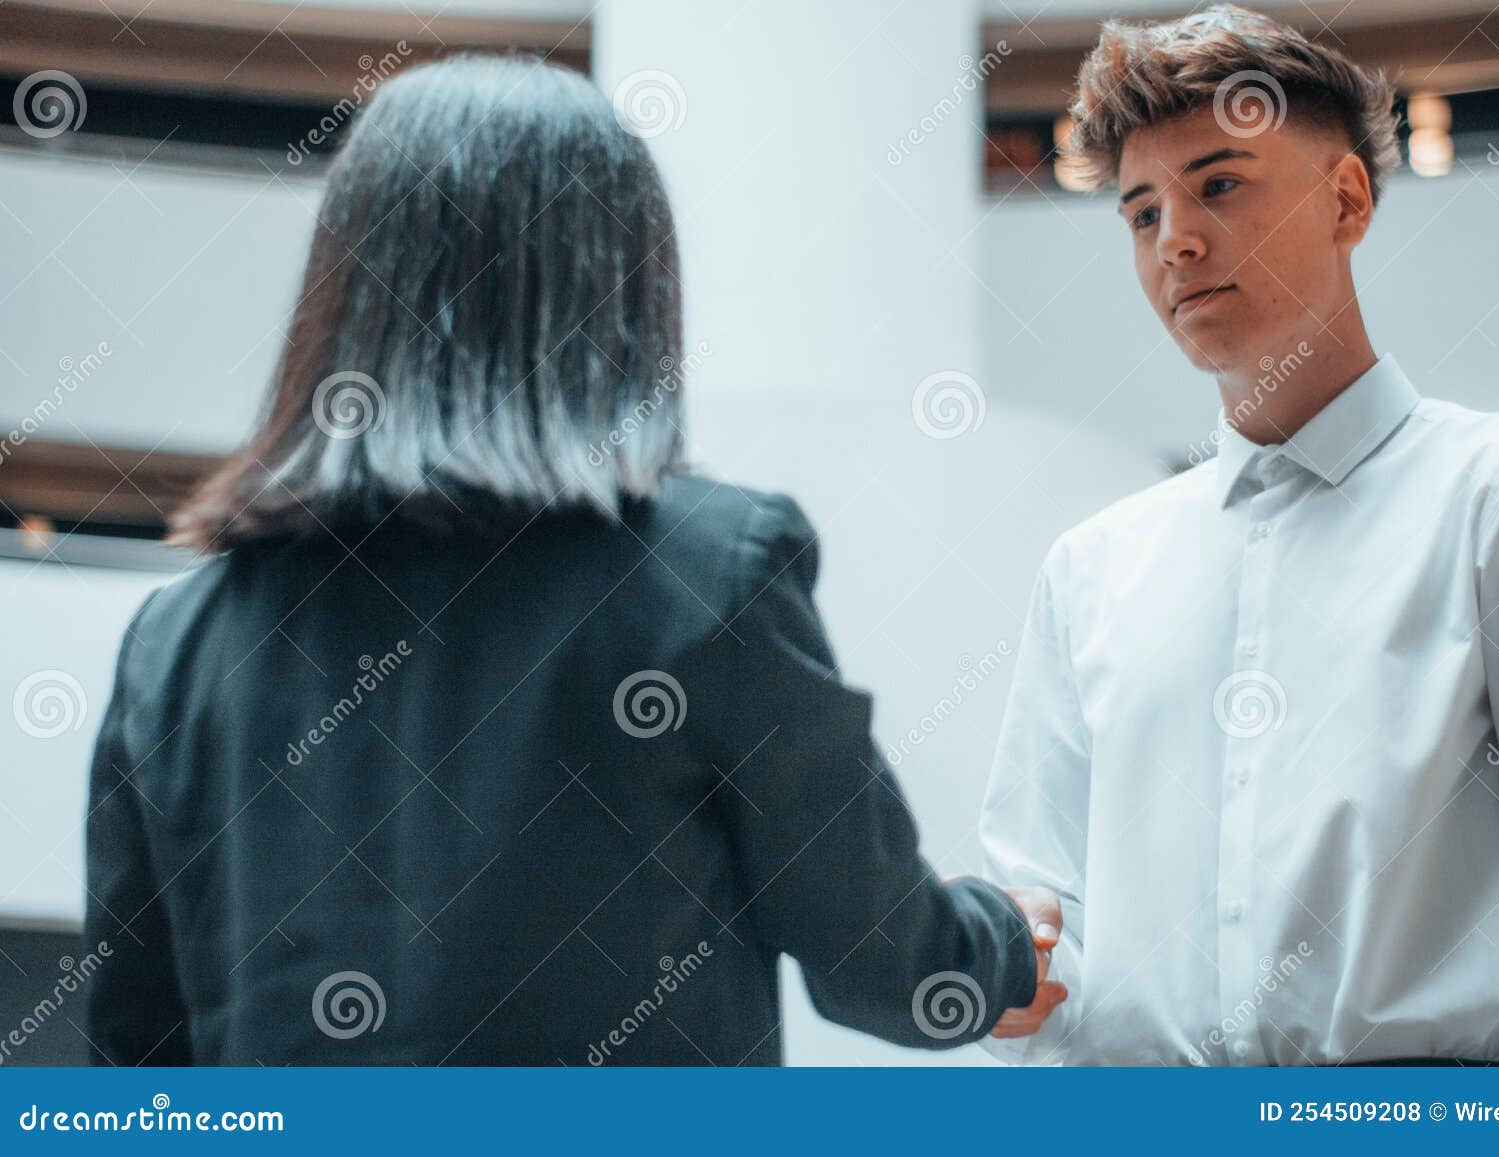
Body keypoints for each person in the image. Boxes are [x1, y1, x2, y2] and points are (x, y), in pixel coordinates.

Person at [81, 55, 1062, 1066]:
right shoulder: (711, 573)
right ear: (622, 289)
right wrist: (1003, 945)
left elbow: (132, 1045)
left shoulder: (177, 642)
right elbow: (886, 967)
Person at [980, 5, 1499, 1063]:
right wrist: (1010, 982)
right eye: (1139, 212)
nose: (1173, 239)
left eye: (1218, 185)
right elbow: (1042, 918)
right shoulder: (1090, 568)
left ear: (1344, 198)